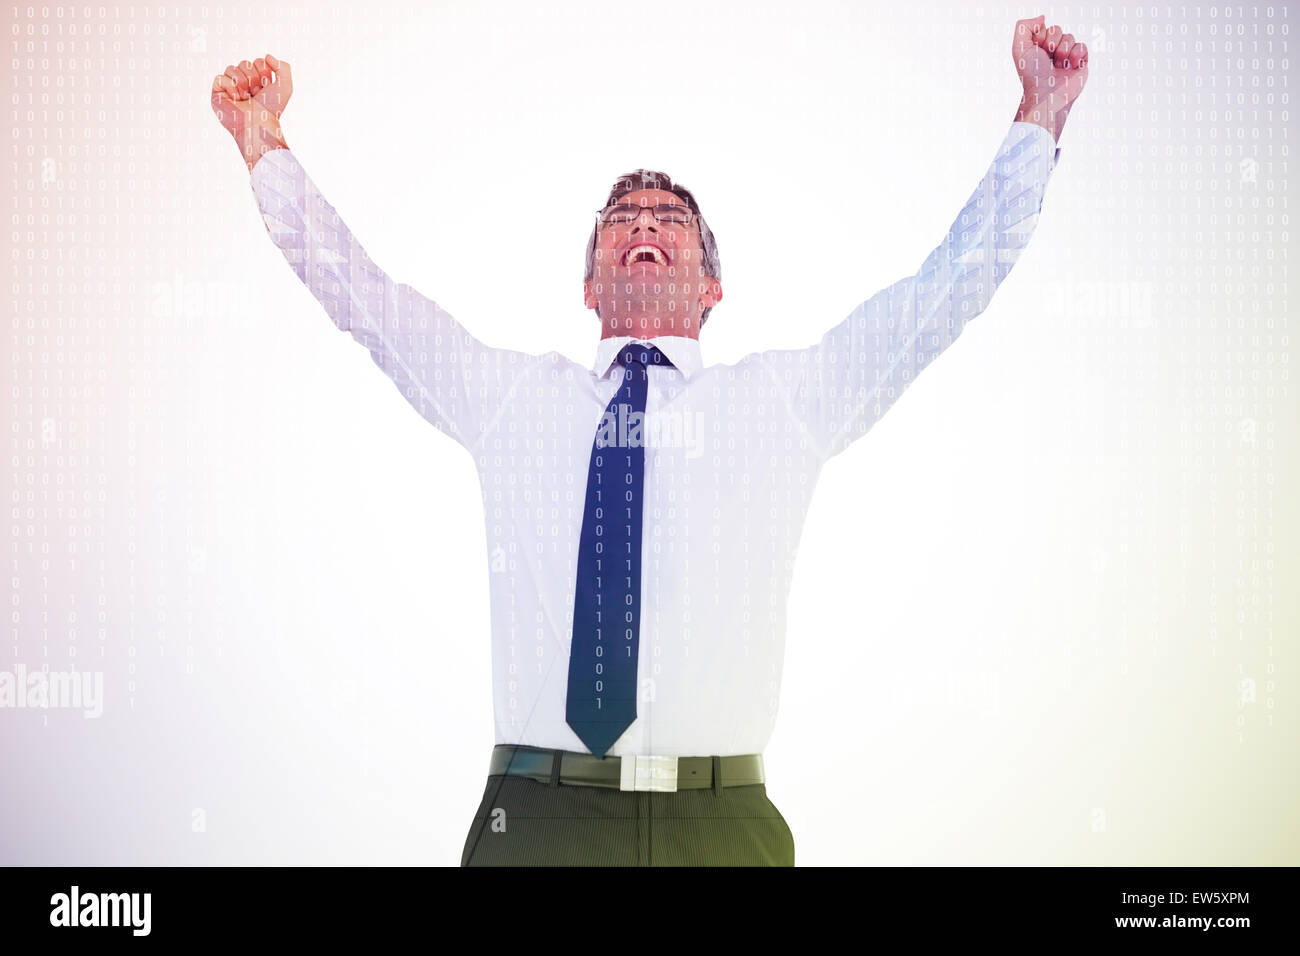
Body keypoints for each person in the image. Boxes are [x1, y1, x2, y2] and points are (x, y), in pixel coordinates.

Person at [210, 14, 1089, 866]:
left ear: (712, 286)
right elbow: (366, 300)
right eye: (621, 216)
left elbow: (940, 295)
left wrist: (1038, 117)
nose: (642, 224)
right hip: (540, 821)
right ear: (589, 286)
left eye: (670, 217)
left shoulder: (784, 403)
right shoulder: (511, 401)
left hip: (724, 825)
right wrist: (264, 145)